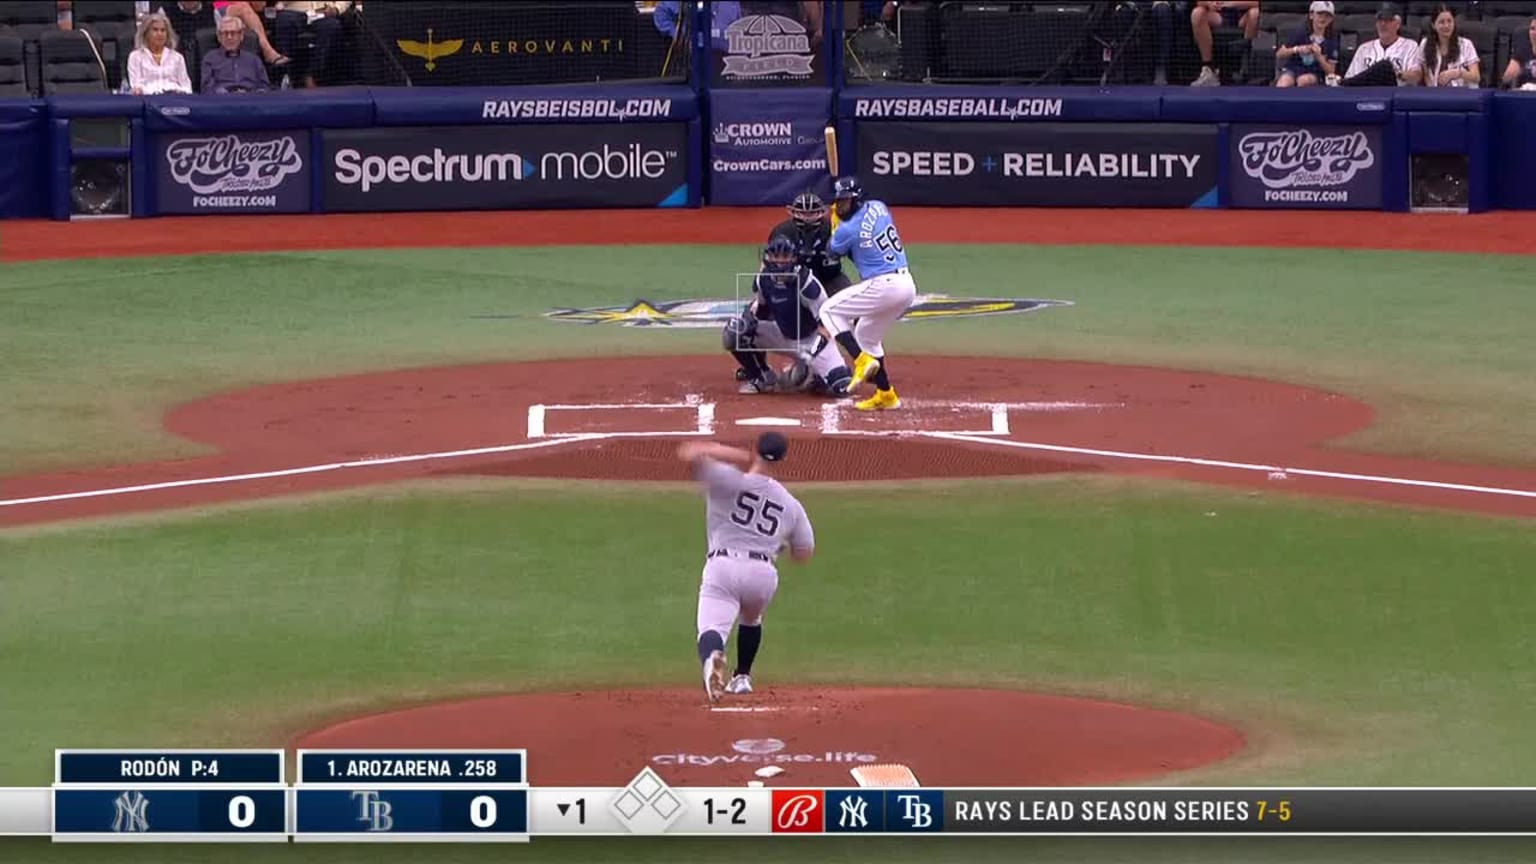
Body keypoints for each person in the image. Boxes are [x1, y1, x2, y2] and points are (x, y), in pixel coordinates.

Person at [678, 432, 814, 701]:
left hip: (723, 566)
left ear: (757, 450)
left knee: (712, 630)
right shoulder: (791, 504)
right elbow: (804, 553)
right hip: (763, 574)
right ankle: (742, 677)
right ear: (783, 459)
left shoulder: (728, 479)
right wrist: (777, 545)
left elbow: (689, 452)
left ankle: (712, 663)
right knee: (752, 619)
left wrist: (739, 455)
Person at [812, 175, 916, 412]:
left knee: (828, 310)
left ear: (857, 200)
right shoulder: (878, 206)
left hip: (885, 284)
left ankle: (861, 360)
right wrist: (840, 222)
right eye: (838, 202)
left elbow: (831, 252)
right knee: (866, 334)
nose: (840, 206)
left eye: (845, 202)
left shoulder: (847, 230)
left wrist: (835, 225)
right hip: (906, 286)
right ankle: (886, 394)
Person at [722, 235, 853, 396]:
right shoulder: (763, 280)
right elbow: (760, 311)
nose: (780, 261)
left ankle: (812, 371)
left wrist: (811, 354)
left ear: (793, 258)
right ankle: (763, 377)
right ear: (768, 257)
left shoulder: (806, 283)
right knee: (735, 331)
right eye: (776, 256)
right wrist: (748, 320)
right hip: (783, 335)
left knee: (841, 386)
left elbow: (826, 325)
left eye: (785, 256)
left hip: (812, 340)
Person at [768, 190, 852, 297]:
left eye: (811, 213)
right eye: (803, 213)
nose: (807, 218)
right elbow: (770, 260)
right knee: (772, 301)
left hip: (830, 278)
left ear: (821, 212)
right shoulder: (783, 231)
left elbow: (853, 253)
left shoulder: (833, 229)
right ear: (794, 212)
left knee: (848, 299)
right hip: (793, 280)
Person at [1340, 2, 1421, 87]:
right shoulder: (1364, 48)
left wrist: (1396, 74)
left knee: (1385, 67)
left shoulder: (1410, 45)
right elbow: (1351, 78)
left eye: (1388, 20)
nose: (1383, 24)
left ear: (1398, 24)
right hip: (1367, 94)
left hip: (1396, 93)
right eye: (1380, 20)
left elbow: (1416, 76)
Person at [125, 10, 192, 95]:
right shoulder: (135, 57)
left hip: (174, 100)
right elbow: (136, 86)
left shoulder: (177, 58)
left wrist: (174, 92)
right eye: (155, 30)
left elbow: (187, 87)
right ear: (146, 33)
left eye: (163, 30)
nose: (159, 34)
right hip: (147, 101)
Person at [1275, 1, 1337, 88]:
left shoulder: (1331, 40)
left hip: (1315, 73)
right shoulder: (1300, 33)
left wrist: (1319, 57)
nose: (1323, 18)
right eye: (1320, 14)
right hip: (1293, 69)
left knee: (1304, 80)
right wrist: (1297, 49)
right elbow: (1279, 54)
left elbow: (1331, 71)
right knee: (1284, 82)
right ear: (1311, 15)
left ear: (1331, 19)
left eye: (1327, 16)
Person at [201, 16, 271, 92]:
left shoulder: (254, 60)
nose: (229, 37)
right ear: (219, 37)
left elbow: (265, 86)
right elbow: (207, 88)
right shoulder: (210, 59)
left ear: (241, 36)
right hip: (222, 100)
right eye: (225, 33)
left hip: (251, 99)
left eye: (233, 33)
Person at [1419, 5, 1479, 89]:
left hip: (1463, 93)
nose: (1446, 26)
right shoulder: (1425, 43)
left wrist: (1457, 73)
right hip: (1436, 94)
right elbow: (1426, 75)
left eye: (1449, 21)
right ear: (1433, 25)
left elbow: (1476, 77)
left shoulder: (1466, 44)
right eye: (1441, 22)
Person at [1501, 16, 1536, 89]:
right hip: (1525, 93)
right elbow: (1506, 80)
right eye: (1532, 29)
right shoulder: (1522, 50)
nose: (1534, 33)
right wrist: (1510, 74)